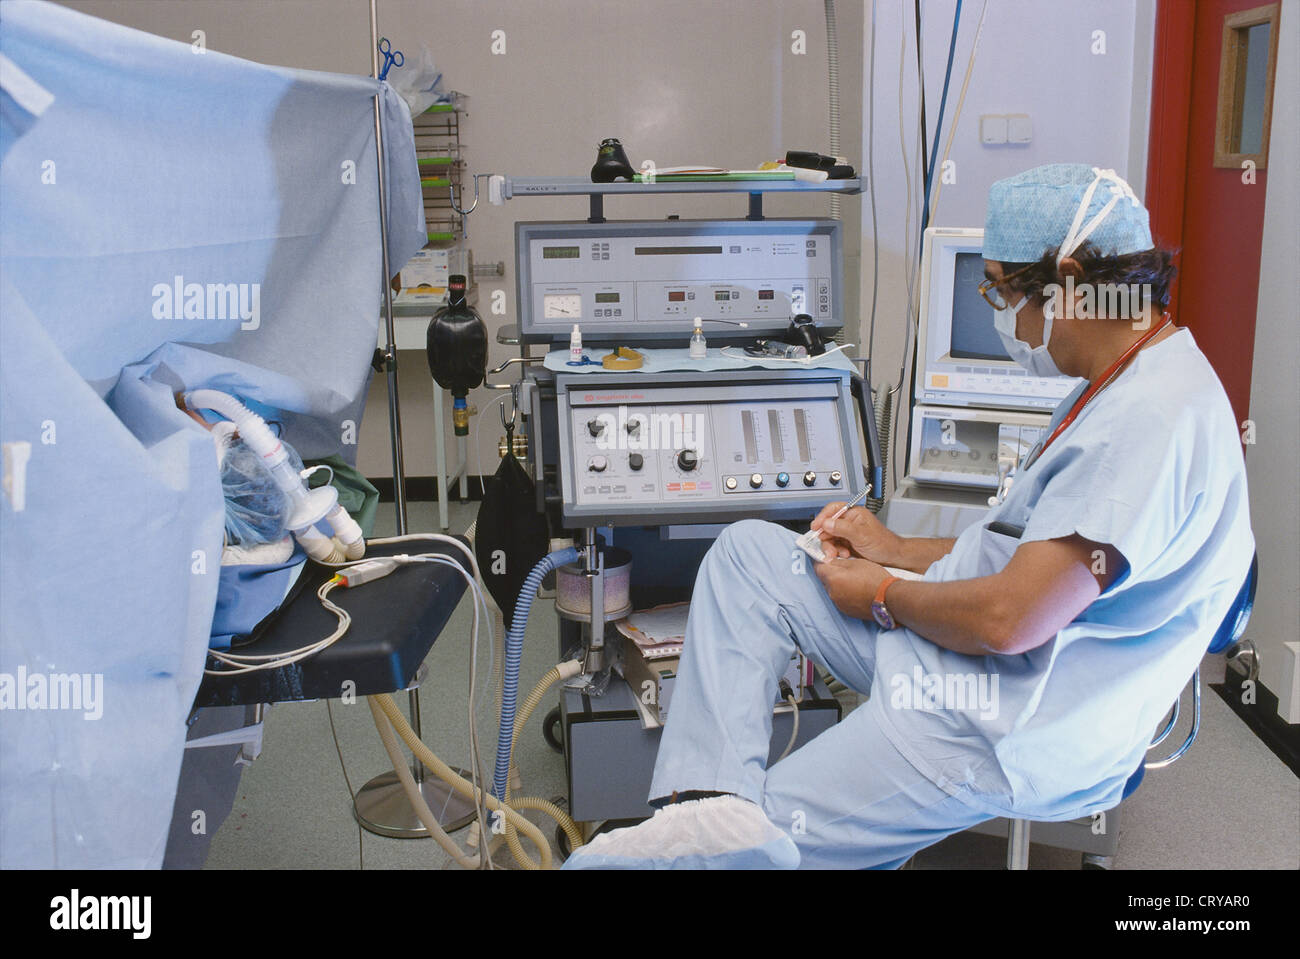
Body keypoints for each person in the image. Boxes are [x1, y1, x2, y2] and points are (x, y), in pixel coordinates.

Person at [563, 164, 1255, 869]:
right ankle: (711, 804)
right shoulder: (1122, 379)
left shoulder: (1150, 420)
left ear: (1071, 278)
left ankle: (728, 842)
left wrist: (884, 593)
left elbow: (1008, 620)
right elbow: (1024, 559)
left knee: (760, 845)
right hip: (965, 649)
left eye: (1001, 291)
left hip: (1000, 720)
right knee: (747, 556)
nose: (1004, 321)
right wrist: (891, 546)